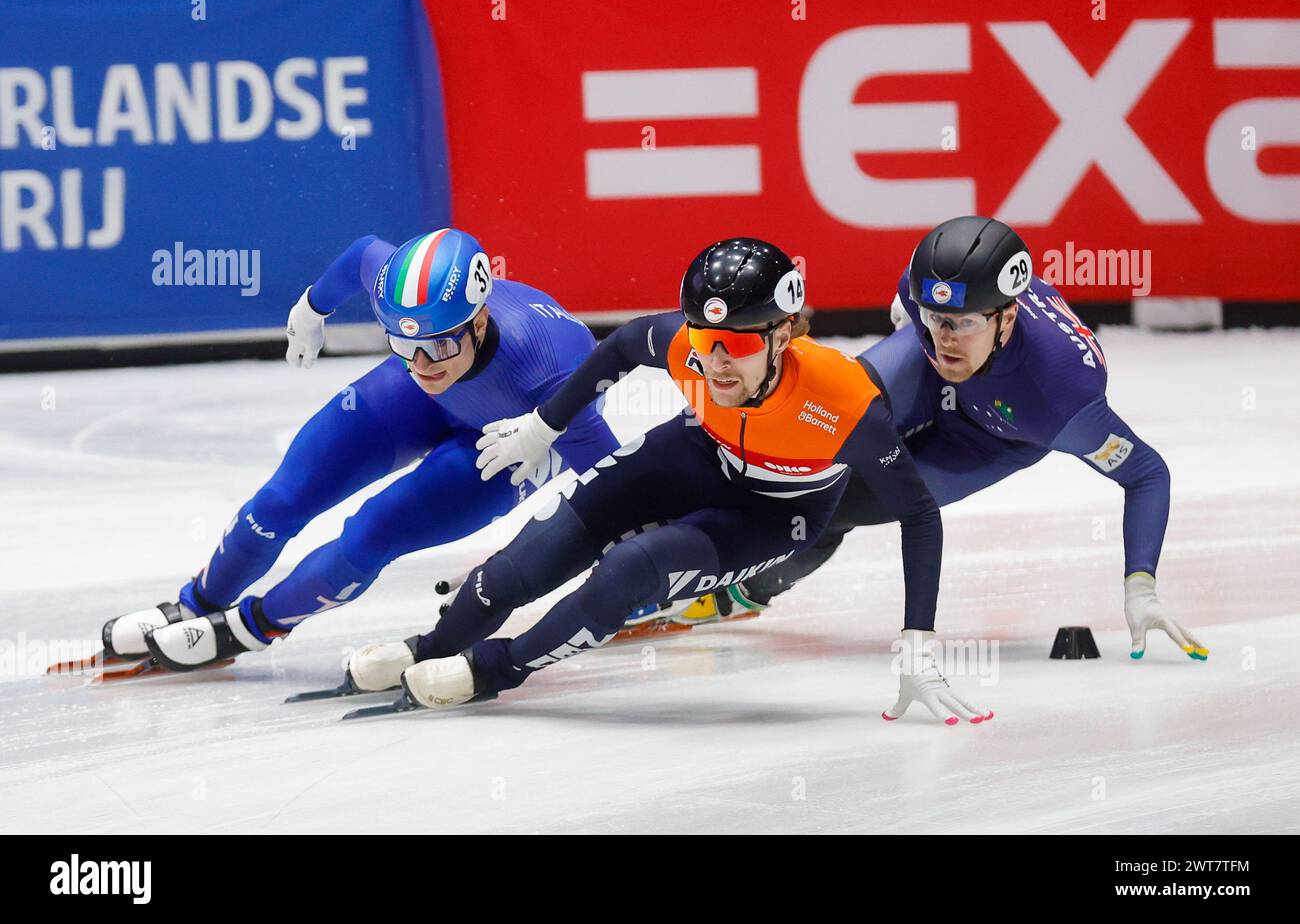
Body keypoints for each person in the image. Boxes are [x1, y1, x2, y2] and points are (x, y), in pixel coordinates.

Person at [346, 237, 991, 725]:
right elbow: (623, 346)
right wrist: (544, 427)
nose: (713, 361)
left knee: (635, 566)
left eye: (736, 345)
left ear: (784, 334)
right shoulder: (687, 344)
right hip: (698, 451)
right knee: (534, 555)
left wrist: (918, 638)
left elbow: (920, 514)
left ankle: (494, 668)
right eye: (704, 339)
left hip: (775, 511)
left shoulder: (843, 401)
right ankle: (429, 645)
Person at [635, 217, 1205, 664]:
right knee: (815, 434)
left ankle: (742, 589)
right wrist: (933, 327)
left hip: (995, 434)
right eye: (931, 317)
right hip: (925, 376)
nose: (943, 337)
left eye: (959, 324)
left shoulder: (1062, 396)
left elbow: (1147, 473)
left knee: (843, 500)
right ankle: (675, 518)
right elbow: (932, 320)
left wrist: (1141, 585)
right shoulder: (931, 294)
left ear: (1007, 319)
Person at [99, 228, 620, 671]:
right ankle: (196, 604)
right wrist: (312, 306)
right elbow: (362, 253)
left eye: (438, 345)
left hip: (515, 436)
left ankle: (249, 627)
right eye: (401, 342)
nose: (423, 365)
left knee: (373, 531)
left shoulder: (553, 373)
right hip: (429, 405)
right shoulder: (409, 315)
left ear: (479, 323)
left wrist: (638, 563)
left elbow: (623, 485)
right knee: (282, 499)